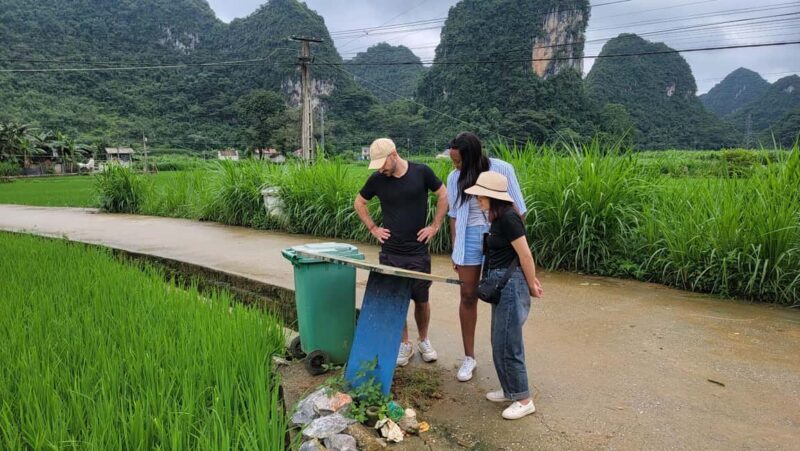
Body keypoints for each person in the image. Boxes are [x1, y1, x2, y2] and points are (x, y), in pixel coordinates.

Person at [354, 138, 449, 367]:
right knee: (396, 298)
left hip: (417, 251)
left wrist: (435, 226)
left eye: (383, 163)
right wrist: (373, 228)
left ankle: (423, 340)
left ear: (393, 154)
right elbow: (359, 203)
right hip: (391, 251)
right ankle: (404, 344)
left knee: (422, 299)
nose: (381, 169)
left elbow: (443, 195)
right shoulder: (377, 179)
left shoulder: (421, 172)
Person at [446, 132, 527, 382]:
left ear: (472, 157)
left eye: (459, 161)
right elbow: (454, 216)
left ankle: (504, 355)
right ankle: (469, 357)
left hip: (498, 237)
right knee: (468, 295)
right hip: (469, 238)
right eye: (453, 161)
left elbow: (518, 210)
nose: (455, 166)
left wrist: (512, 245)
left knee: (500, 295)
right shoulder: (454, 177)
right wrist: (455, 248)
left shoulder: (502, 169)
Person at [465, 171, 543, 420]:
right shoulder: (498, 219)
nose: (478, 201)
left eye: (481, 197)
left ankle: (523, 398)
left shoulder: (510, 219)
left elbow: (525, 255)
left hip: (510, 285)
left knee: (509, 343)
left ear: (493, 197)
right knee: (499, 340)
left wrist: (531, 283)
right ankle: (510, 390)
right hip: (502, 284)